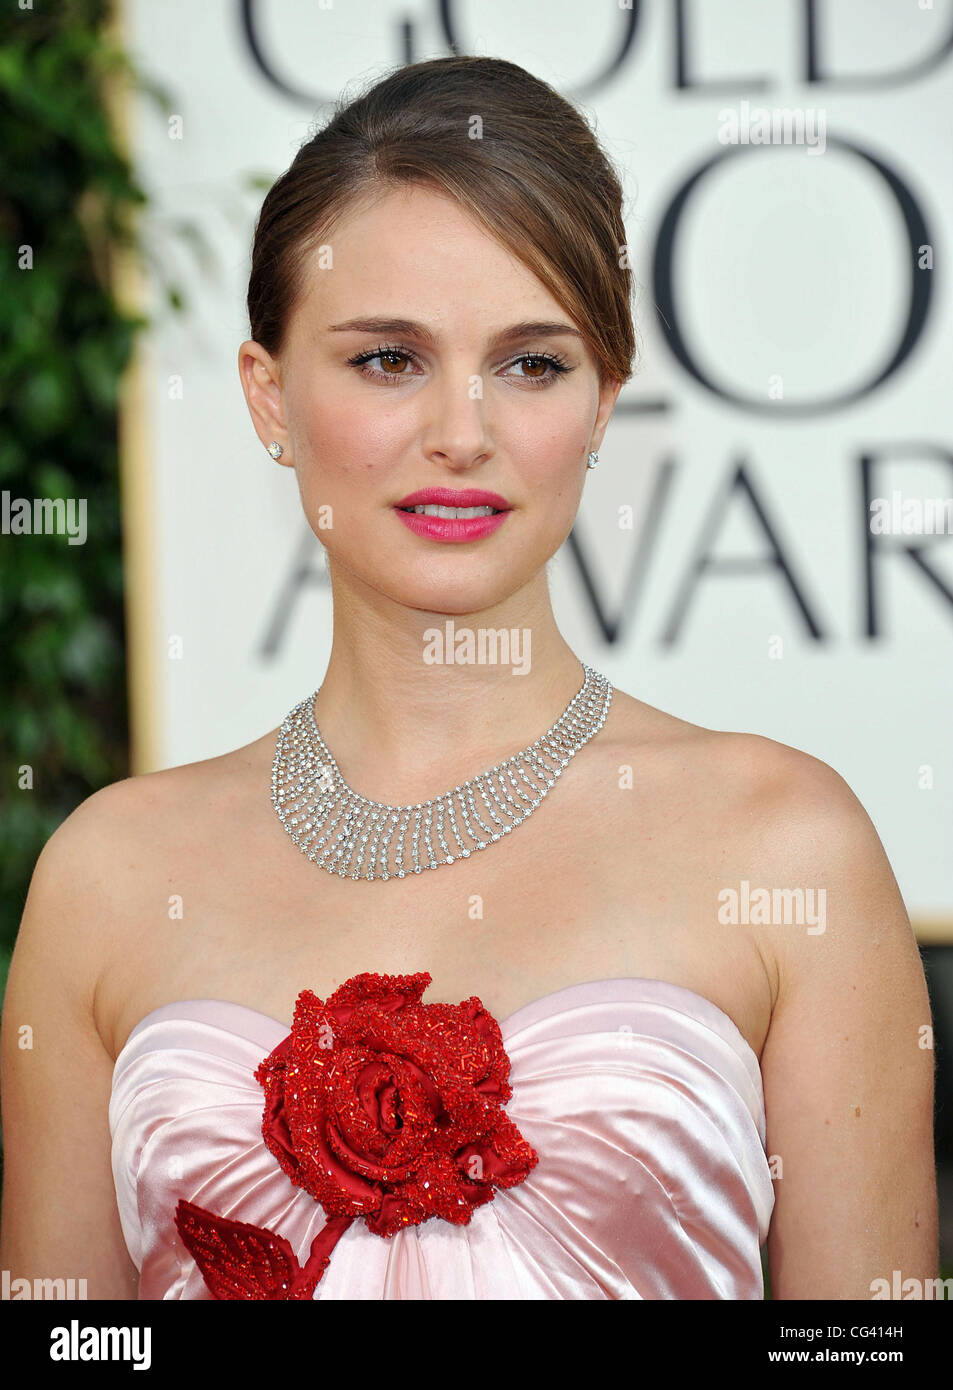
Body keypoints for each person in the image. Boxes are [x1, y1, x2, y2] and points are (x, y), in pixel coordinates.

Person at [0, 54, 937, 1301]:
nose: (461, 430)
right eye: (389, 358)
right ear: (268, 396)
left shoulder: (787, 847)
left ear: (604, 400)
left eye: (531, 363)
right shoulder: (106, 878)